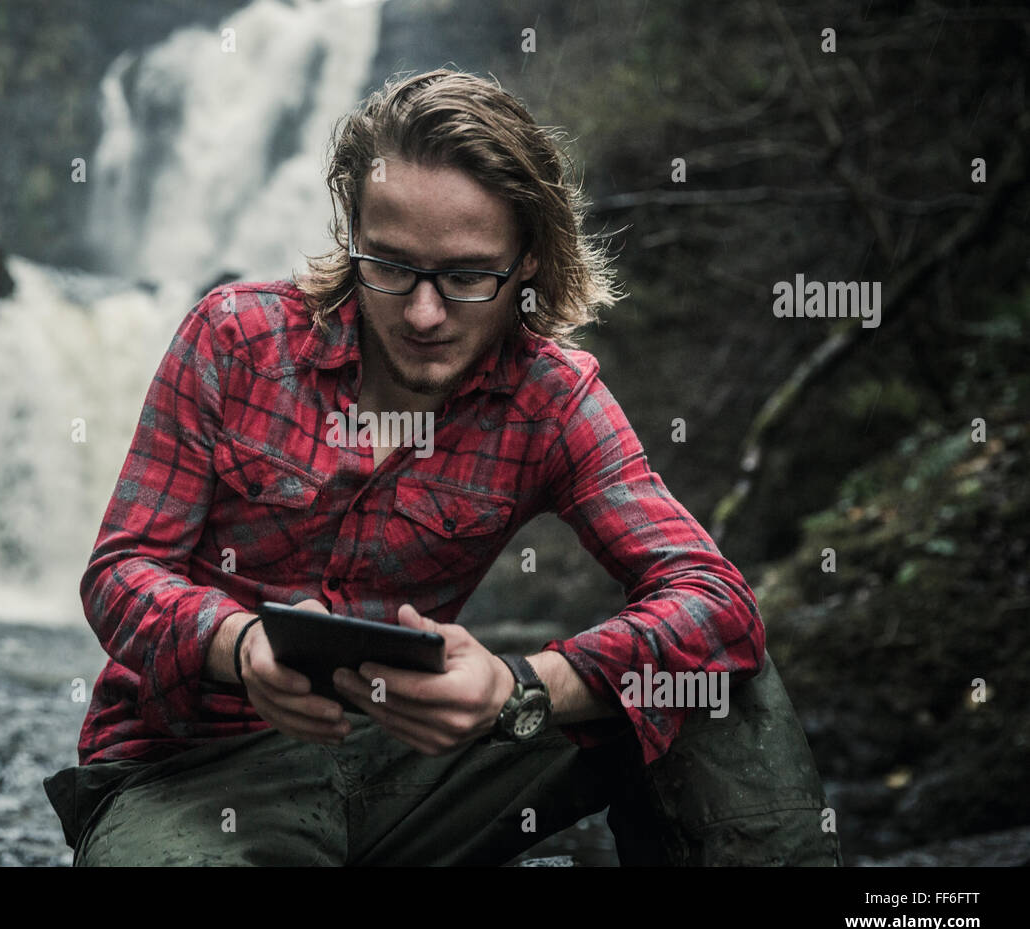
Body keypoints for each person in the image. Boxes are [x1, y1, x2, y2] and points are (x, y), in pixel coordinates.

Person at [44, 68, 840, 866]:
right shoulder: (234, 340)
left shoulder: (551, 398)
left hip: (415, 760)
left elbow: (715, 601)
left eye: (465, 277)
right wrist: (240, 645)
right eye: (389, 267)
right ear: (352, 232)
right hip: (186, 773)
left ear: (529, 258)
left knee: (713, 681)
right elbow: (121, 571)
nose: (424, 314)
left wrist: (523, 688)